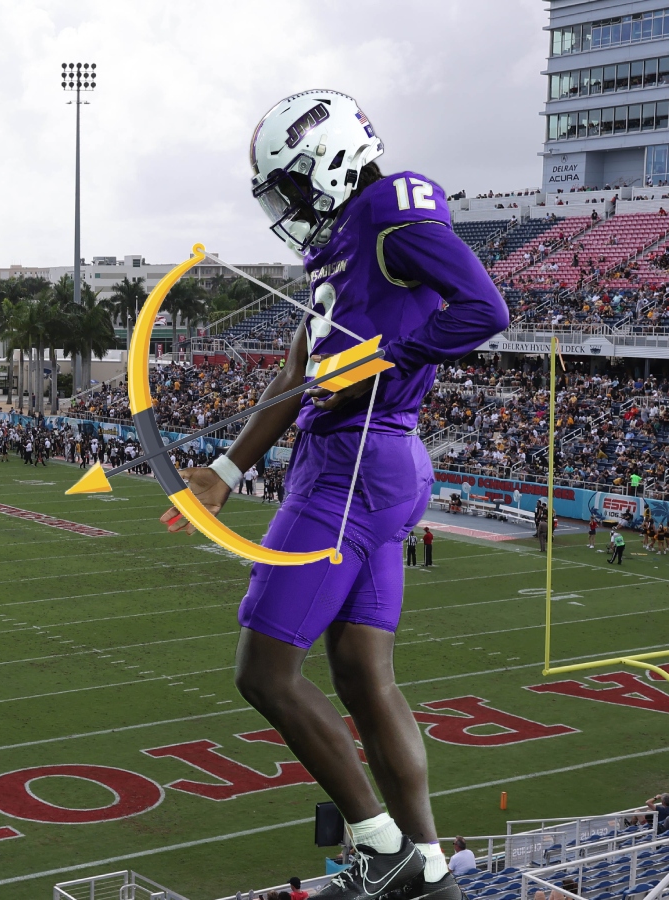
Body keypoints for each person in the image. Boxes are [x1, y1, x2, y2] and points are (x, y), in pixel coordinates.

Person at [162, 91, 508, 900]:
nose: (287, 209)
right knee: (360, 670)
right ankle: (424, 860)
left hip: (351, 465)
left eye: (289, 188)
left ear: (328, 162)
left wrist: (389, 358)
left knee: (265, 671)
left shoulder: (388, 214)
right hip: (381, 463)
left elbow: (486, 308)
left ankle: (380, 844)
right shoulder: (346, 244)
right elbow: (294, 374)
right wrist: (226, 471)